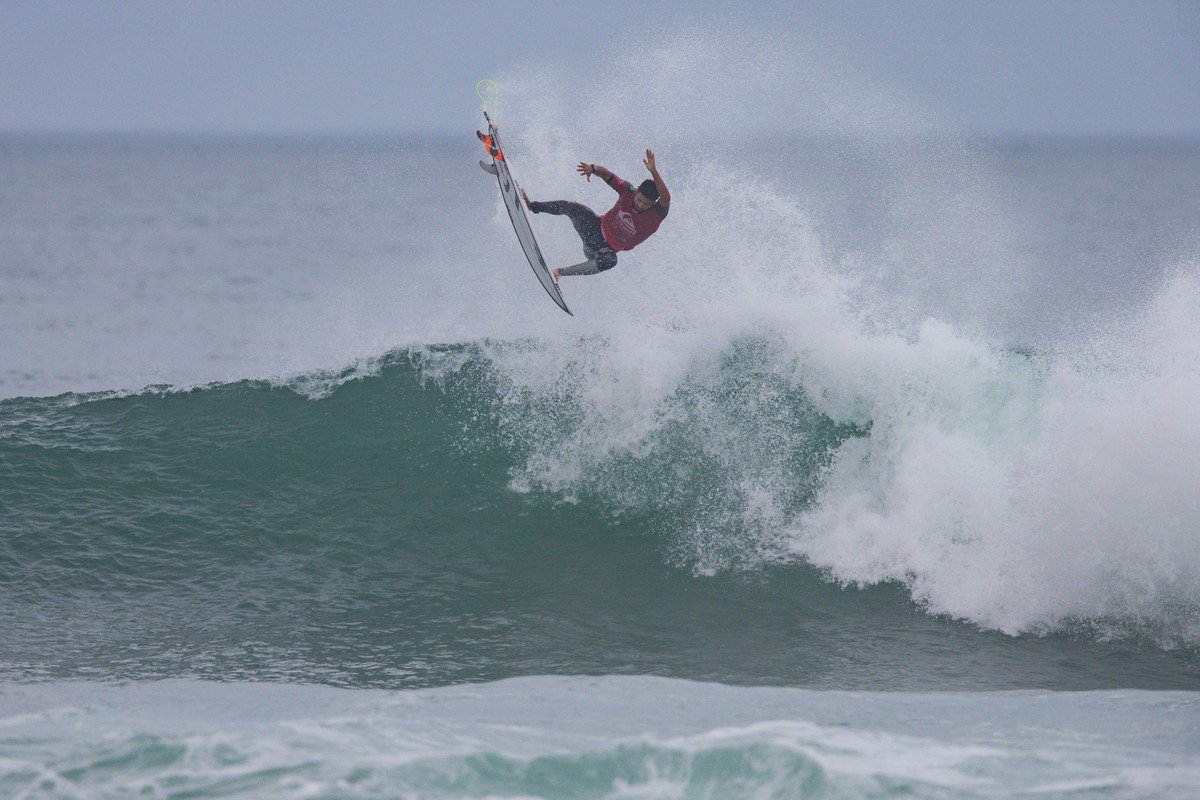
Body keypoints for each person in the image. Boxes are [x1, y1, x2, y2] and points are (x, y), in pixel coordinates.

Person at [520, 149, 670, 280]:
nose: (641, 205)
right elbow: (609, 175)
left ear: (653, 203)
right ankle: (532, 206)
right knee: (573, 207)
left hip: (601, 251)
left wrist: (654, 172)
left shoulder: (655, 215)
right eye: (639, 200)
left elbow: (666, 198)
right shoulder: (628, 191)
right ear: (637, 191)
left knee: (611, 261)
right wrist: (593, 168)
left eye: (646, 204)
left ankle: (560, 272)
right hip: (594, 228)